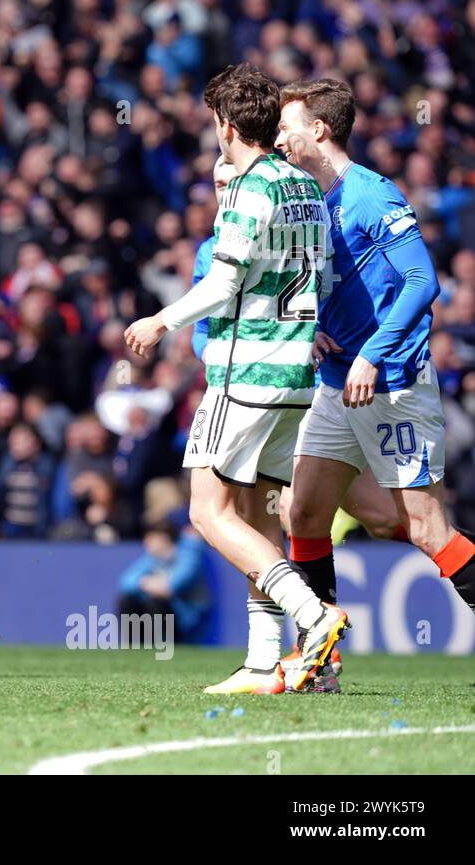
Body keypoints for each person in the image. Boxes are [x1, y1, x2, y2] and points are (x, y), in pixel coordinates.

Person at [124, 63, 348, 694]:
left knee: (207, 511)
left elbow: (222, 283)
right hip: (295, 378)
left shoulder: (252, 187)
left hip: (244, 373)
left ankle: (313, 615)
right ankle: (262, 663)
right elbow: (322, 273)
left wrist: (159, 322)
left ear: (224, 124)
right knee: (256, 514)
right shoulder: (303, 187)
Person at [274, 79, 475, 675]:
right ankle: (321, 662)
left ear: (320, 130)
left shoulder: (371, 194)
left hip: (391, 386)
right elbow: (314, 281)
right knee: (304, 514)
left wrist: (372, 355)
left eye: (288, 125)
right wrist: (307, 328)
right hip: (337, 385)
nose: (279, 137)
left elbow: (422, 282)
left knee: (422, 526)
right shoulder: (309, 200)